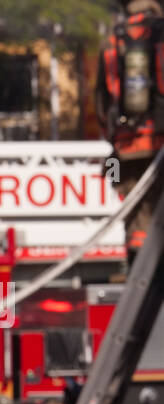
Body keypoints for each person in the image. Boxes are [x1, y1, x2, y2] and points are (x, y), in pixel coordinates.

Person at [96, 0, 164, 267]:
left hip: (128, 147)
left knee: (137, 221)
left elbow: (102, 101)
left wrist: (115, 135)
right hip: (160, 143)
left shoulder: (112, 40)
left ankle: (138, 277)